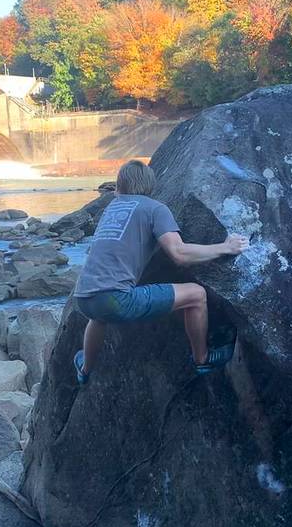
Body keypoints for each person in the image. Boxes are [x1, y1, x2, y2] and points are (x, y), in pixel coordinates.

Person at [73, 160, 249, 384]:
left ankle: (85, 368)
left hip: (84, 297)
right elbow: (179, 254)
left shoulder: (111, 208)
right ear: (151, 186)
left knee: (98, 317)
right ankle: (202, 358)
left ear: (119, 187)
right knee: (196, 295)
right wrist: (225, 247)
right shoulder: (155, 209)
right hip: (116, 299)